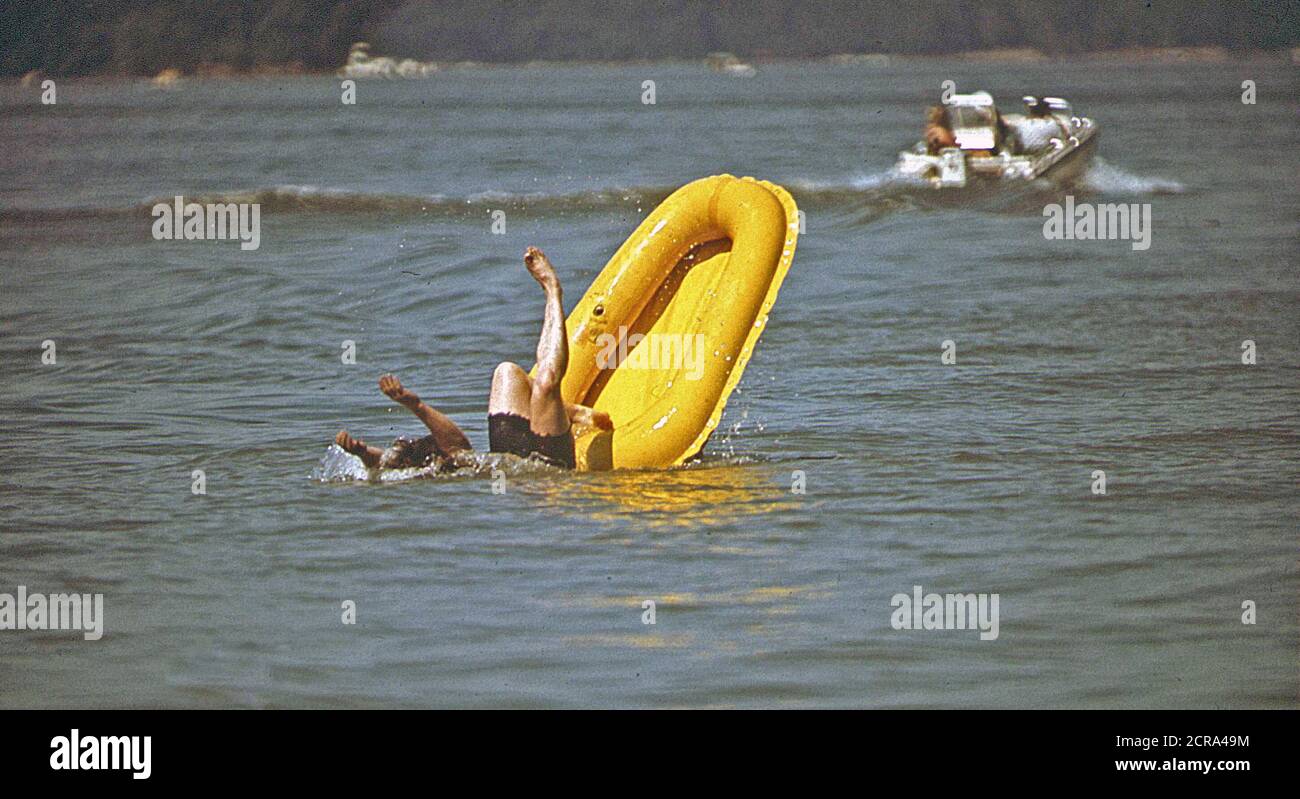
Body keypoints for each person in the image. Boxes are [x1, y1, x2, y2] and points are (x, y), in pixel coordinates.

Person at [334, 246, 612, 472]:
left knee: (507, 372)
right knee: (546, 383)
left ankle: (568, 411)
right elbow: (395, 462)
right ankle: (552, 289)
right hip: (549, 468)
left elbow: (444, 448)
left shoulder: (453, 462)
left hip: (511, 454)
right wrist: (366, 450)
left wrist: (366, 446)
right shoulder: (442, 470)